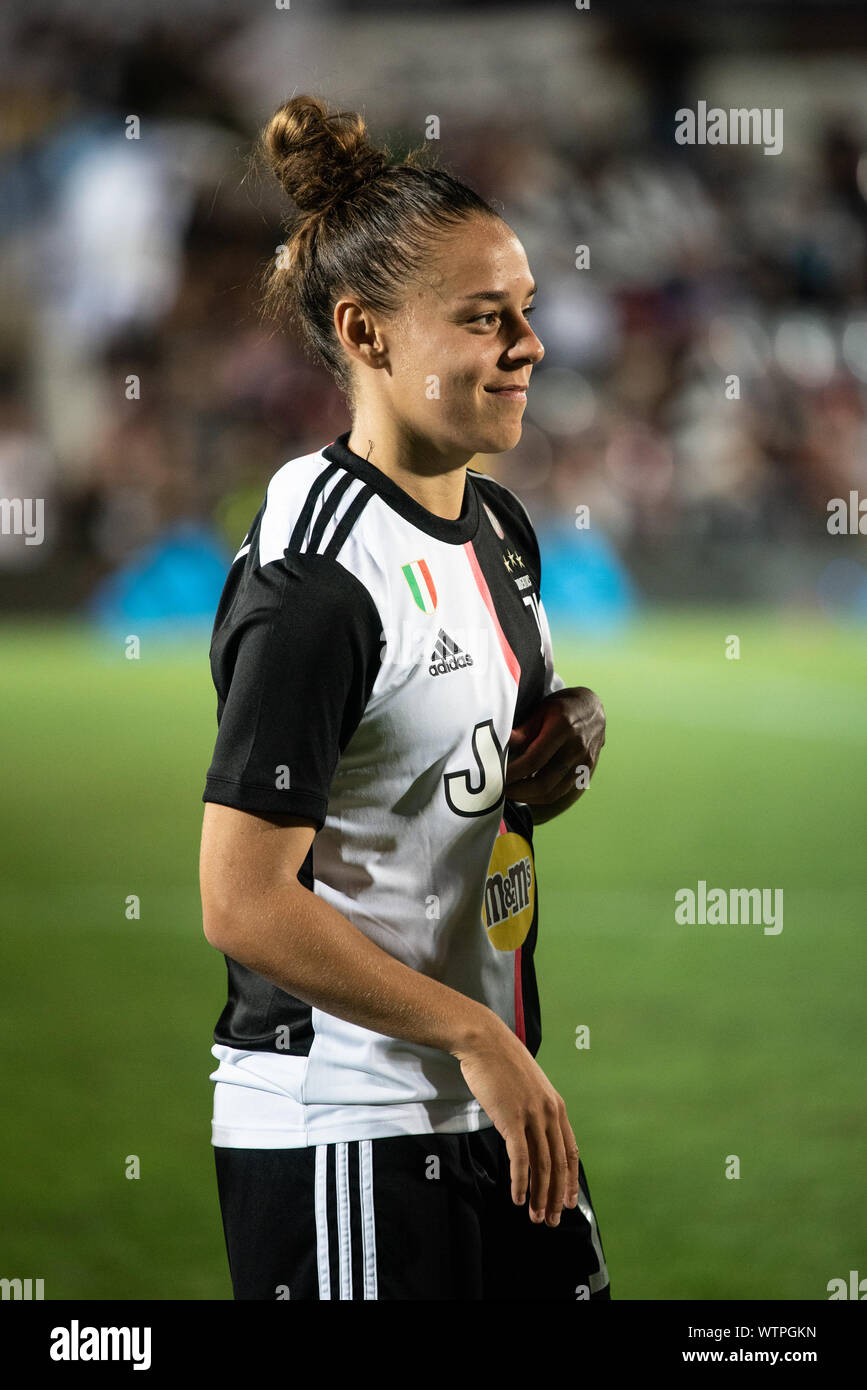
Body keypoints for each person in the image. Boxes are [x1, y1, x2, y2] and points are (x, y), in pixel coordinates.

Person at [199, 94, 610, 1301]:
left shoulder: (496, 523)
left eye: (527, 312)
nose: (529, 345)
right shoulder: (317, 578)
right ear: (366, 334)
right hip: (349, 1124)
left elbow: (501, 753)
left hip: (495, 1102)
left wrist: (573, 732)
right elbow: (242, 902)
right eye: (487, 321)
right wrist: (478, 1038)